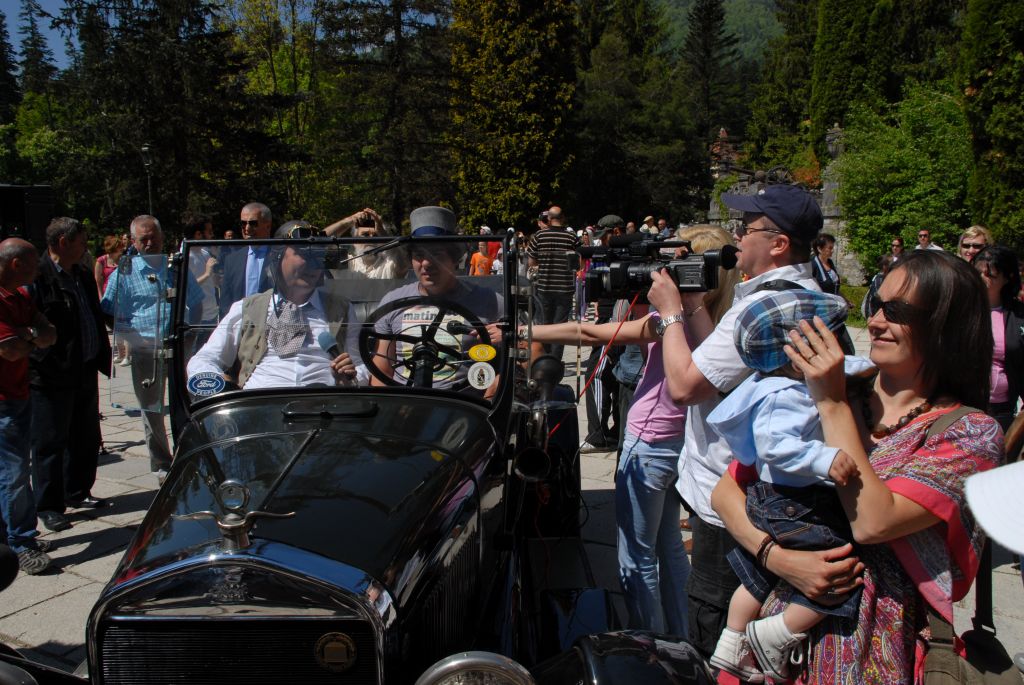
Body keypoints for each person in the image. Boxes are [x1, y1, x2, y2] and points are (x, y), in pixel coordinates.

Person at [712, 249, 1002, 682]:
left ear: (946, 326)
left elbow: (871, 521)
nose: (876, 321)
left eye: (896, 311)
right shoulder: (836, 387)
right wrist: (777, 558)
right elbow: (728, 491)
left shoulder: (969, 433)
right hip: (774, 641)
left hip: (875, 650)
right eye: (876, 305)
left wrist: (831, 404)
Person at [646, 183, 828, 657]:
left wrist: (668, 317)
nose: (736, 239)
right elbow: (724, 371)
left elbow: (686, 386)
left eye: (745, 229)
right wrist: (692, 306)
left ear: (778, 244)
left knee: (712, 619)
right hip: (759, 496)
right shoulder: (797, 294)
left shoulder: (761, 306)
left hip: (733, 505)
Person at [531, 225, 739, 635]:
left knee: (636, 557)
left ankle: (648, 646)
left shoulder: (672, 321)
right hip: (682, 445)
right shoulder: (723, 320)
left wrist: (525, 332)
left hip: (649, 441)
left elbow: (593, 332)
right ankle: (681, 638)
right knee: (669, 550)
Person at [706, 290, 871, 682]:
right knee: (839, 574)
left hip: (775, 502)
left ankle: (732, 641)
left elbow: (848, 366)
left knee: (753, 575)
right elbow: (775, 446)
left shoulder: (784, 382)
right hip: (798, 501)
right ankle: (778, 634)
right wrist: (825, 459)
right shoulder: (784, 395)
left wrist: (867, 367)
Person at [188, 221, 360, 391]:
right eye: (304, 254)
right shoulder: (247, 308)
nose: (314, 264)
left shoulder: (342, 309)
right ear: (277, 257)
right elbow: (203, 360)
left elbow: (361, 366)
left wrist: (350, 378)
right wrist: (220, 384)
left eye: (318, 255)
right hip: (259, 408)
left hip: (325, 407)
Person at [100, 216, 204, 481]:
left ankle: (189, 453)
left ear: (162, 237)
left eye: (153, 238)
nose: (149, 243)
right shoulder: (124, 271)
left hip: (178, 346)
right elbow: (108, 309)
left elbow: (197, 300)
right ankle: (161, 463)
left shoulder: (176, 267)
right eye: (143, 239)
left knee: (186, 400)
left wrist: (190, 331)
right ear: (133, 242)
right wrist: (131, 338)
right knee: (151, 409)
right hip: (145, 349)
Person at [27, 218, 113, 534]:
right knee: (50, 442)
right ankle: (49, 506)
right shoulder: (39, 277)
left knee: (85, 436)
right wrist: (45, 359)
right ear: (63, 242)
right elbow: (30, 328)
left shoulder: (79, 275)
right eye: (81, 242)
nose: (86, 248)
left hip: (85, 369)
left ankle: (79, 491)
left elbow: (93, 312)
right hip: (52, 375)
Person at [369, 206, 502, 391]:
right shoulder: (392, 302)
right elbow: (381, 370)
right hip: (404, 407)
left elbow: (517, 358)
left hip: (464, 406)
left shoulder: (490, 302)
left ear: (454, 258)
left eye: (436, 255)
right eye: (419, 255)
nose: (426, 264)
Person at [0, 238, 57, 574]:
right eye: (34, 261)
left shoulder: (21, 296)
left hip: (18, 394)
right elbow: (10, 350)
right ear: (15, 264)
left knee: (11, 472)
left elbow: (50, 333)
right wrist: (30, 335)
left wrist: (27, 333)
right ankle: (21, 542)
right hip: (4, 401)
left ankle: (11, 536)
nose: (39, 266)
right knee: (14, 474)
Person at [972, 245, 1024, 433]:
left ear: (1007, 277)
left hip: (1002, 410)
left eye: (990, 275)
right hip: (963, 406)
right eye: (977, 272)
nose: (981, 278)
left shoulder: (1019, 315)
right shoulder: (960, 309)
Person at [528, 205, 578, 360]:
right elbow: (578, 263)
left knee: (544, 325)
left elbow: (531, 262)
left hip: (544, 287)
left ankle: (543, 362)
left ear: (549, 218)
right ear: (562, 218)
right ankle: (555, 364)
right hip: (565, 288)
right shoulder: (572, 237)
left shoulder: (539, 236)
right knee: (561, 328)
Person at [219, 202, 274, 315]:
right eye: (243, 223)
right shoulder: (232, 260)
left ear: (268, 225)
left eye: (253, 223)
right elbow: (226, 301)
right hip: (239, 326)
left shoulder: (280, 257)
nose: (247, 228)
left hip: (271, 326)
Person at [860, 253, 893, 320]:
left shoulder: (884, 278)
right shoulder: (879, 279)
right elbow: (879, 298)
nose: (893, 265)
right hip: (877, 315)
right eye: (891, 263)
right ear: (884, 266)